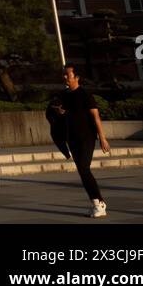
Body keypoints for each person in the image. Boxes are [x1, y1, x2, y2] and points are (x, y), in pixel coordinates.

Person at [48, 65, 110, 217]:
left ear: (76, 78)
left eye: (68, 75)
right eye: (63, 75)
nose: (64, 77)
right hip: (72, 138)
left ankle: (99, 203)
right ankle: (97, 202)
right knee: (82, 171)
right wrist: (58, 111)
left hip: (87, 137)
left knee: (83, 168)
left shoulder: (85, 94)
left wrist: (102, 137)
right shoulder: (63, 95)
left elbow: (95, 116)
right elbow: (54, 110)